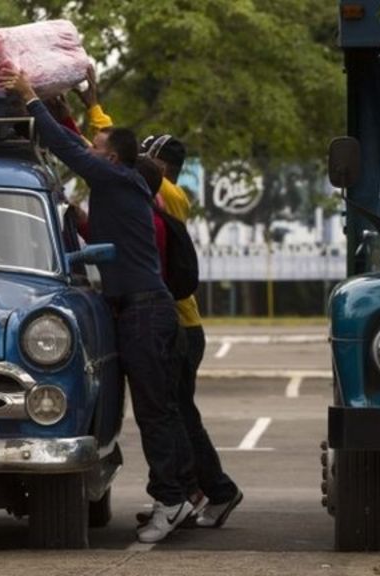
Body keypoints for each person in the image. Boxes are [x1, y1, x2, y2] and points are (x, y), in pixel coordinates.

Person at [0, 68, 194, 543]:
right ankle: (177, 494)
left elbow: (67, 148)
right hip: (140, 309)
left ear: (113, 159)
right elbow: (94, 224)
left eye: (98, 148)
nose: (90, 151)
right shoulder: (118, 188)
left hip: (145, 310)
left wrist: (29, 98)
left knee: (155, 410)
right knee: (158, 407)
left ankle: (172, 499)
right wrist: (69, 206)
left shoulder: (121, 179)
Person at [142, 134, 243, 528]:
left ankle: (218, 489)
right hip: (182, 323)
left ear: (161, 167)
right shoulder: (163, 191)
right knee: (176, 415)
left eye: (147, 159)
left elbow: (118, 163)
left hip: (180, 324)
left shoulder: (169, 194)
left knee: (180, 417)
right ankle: (188, 493)